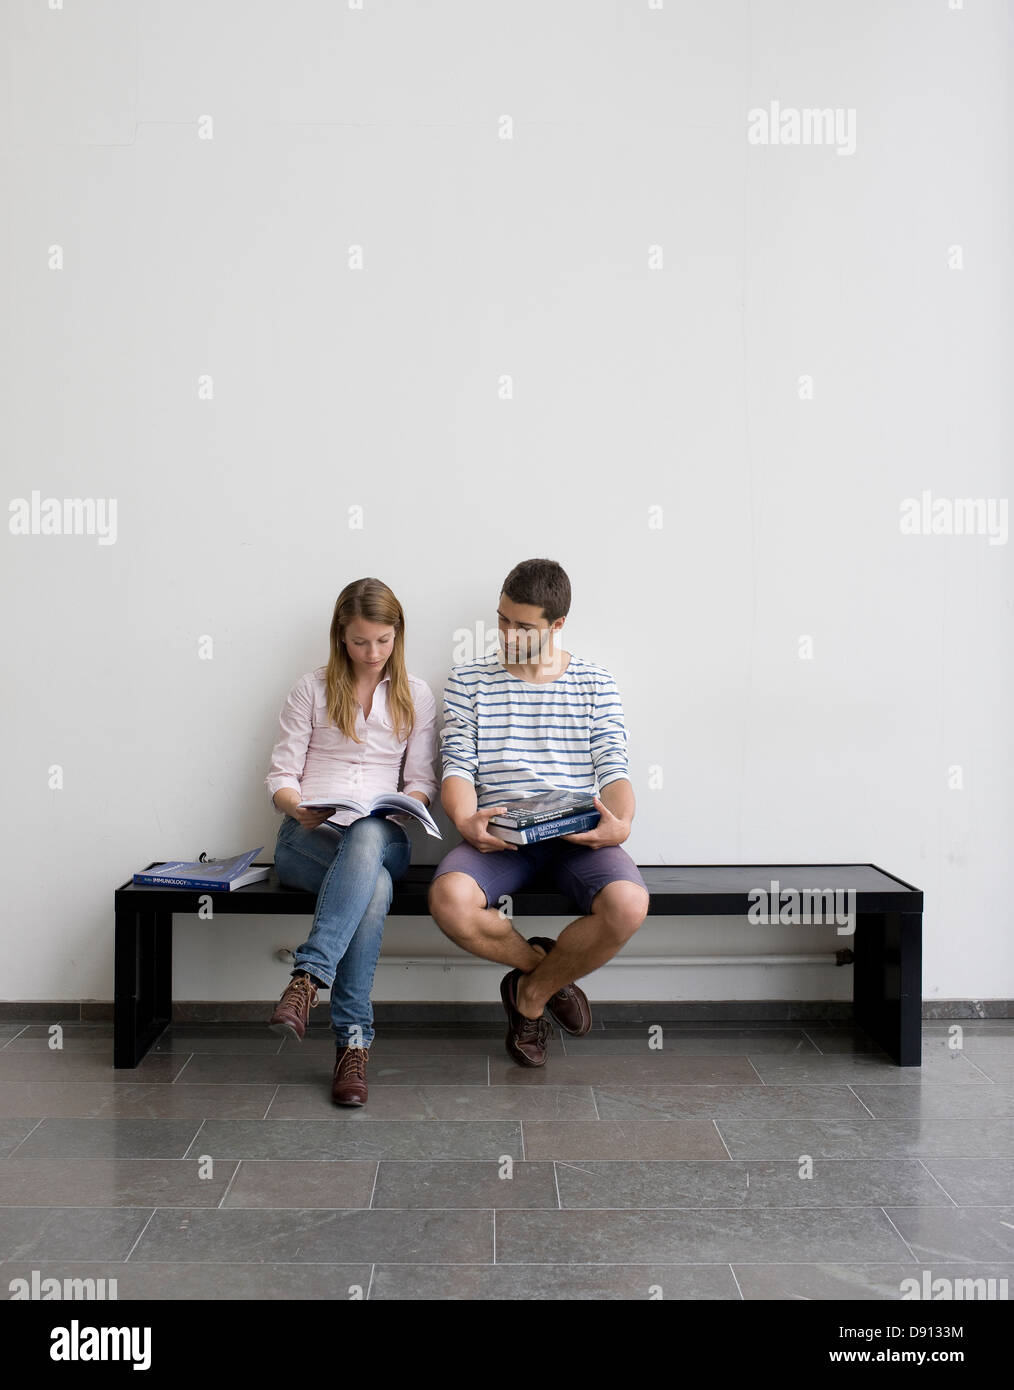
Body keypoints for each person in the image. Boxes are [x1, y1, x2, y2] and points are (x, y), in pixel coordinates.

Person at [428, 558, 650, 1067]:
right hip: (501, 837)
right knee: (449, 900)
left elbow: (613, 766)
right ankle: (548, 973)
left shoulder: (595, 681)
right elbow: (457, 764)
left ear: (557, 626)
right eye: (502, 619)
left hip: (577, 836)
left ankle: (529, 998)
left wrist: (621, 823)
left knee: (629, 906)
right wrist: (465, 820)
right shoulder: (468, 679)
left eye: (522, 626)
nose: (506, 633)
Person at [264, 578, 438, 1105]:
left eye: (384, 641)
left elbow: (422, 780)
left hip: (384, 834)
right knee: (375, 891)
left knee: (367, 834)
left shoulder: (418, 693)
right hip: (309, 838)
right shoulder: (310, 689)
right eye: (361, 641)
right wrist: (298, 808)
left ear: (397, 636)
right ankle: (352, 1045)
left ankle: (307, 977)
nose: (373, 653)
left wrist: (409, 802)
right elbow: (280, 777)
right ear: (341, 635)